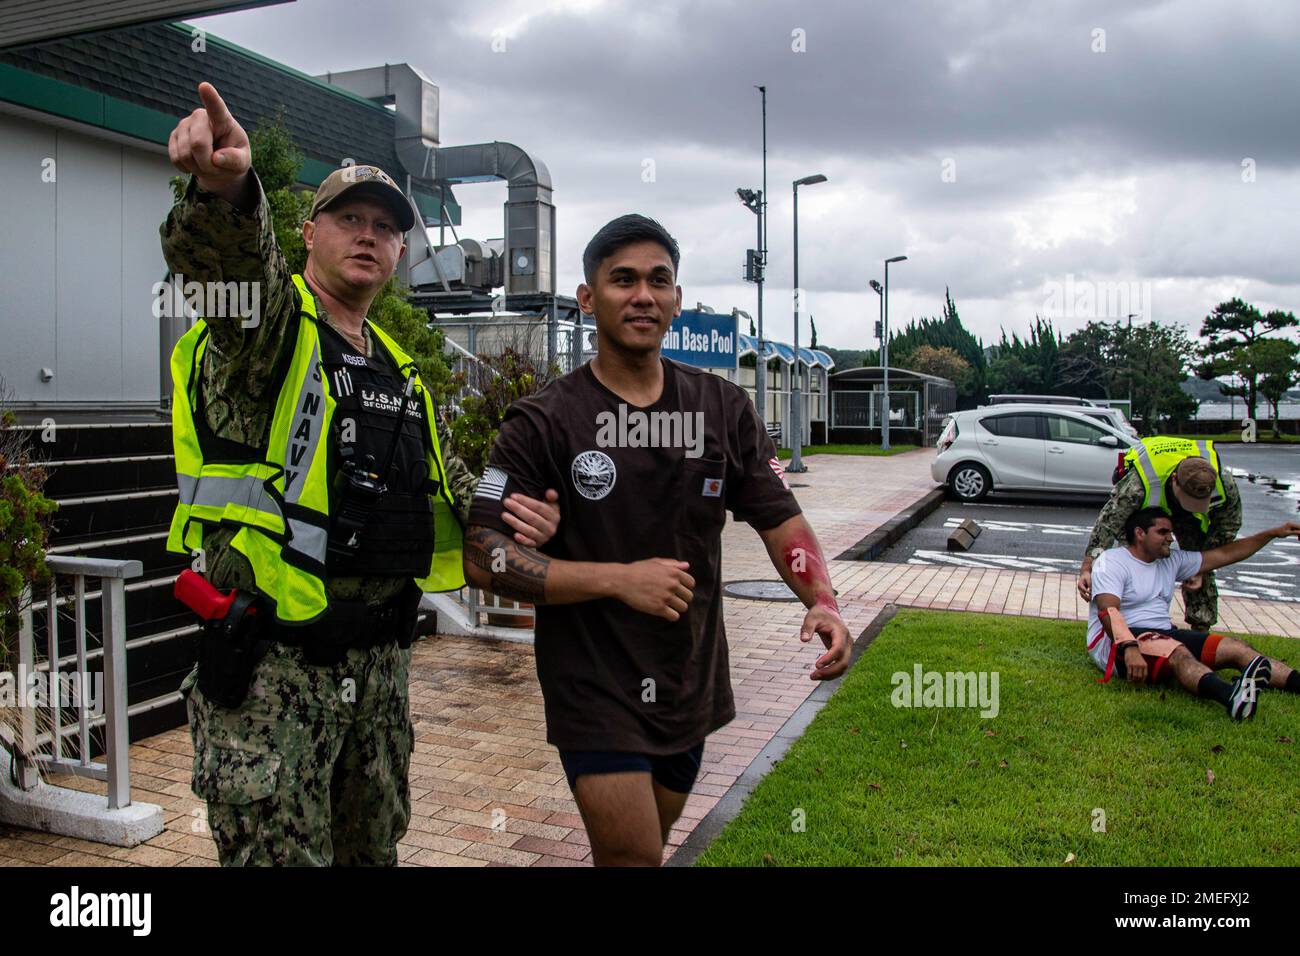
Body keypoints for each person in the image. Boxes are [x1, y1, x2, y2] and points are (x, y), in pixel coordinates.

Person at [161, 82, 560, 865]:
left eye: (385, 226)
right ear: (308, 232)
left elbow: (436, 500)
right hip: (277, 675)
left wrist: (512, 514)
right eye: (350, 219)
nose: (368, 236)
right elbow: (233, 273)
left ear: (402, 252)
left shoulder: (401, 370)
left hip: (378, 680)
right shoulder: (267, 336)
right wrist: (224, 190)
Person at [463, 214, 853, 866]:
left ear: (676, 298)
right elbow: (483, 556)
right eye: (622, 279)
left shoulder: (722, 410)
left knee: (646, 852)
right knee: (634, 860)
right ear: (588, 298)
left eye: (658, 280)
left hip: (689, 682)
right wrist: (617, 579)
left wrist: (823, 598)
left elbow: (779, 518)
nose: (642, 294)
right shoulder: (543, 422)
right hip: (593, 684)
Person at [1086, 507, 1300, 720]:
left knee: (1236, 648)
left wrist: (1272, 534)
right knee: (1178, 653)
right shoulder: (1112, 561)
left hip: (1163, 634)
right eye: (1162, 532)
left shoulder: (1171, 560)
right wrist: (1130, 648)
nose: (1170, 539)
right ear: (1140, 534)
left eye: (1170, 533)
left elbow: (1226, 554)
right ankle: (1231, 697)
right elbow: (1108, 611)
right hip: (1117, 643)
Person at [1078, 437, 1241, 631]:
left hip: (1190, 522)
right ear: (1174, 480)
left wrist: (1200, 568)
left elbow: (1228, 526)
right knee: (1136, 562)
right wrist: (1087, 568)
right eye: (1187, 499)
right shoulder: (1136, 486)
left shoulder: (1224, 483)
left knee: (1198, 562)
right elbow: (1107, 524)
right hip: (1145, 514)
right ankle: (1131, 622)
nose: (1191, 506)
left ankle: (1201, 625)